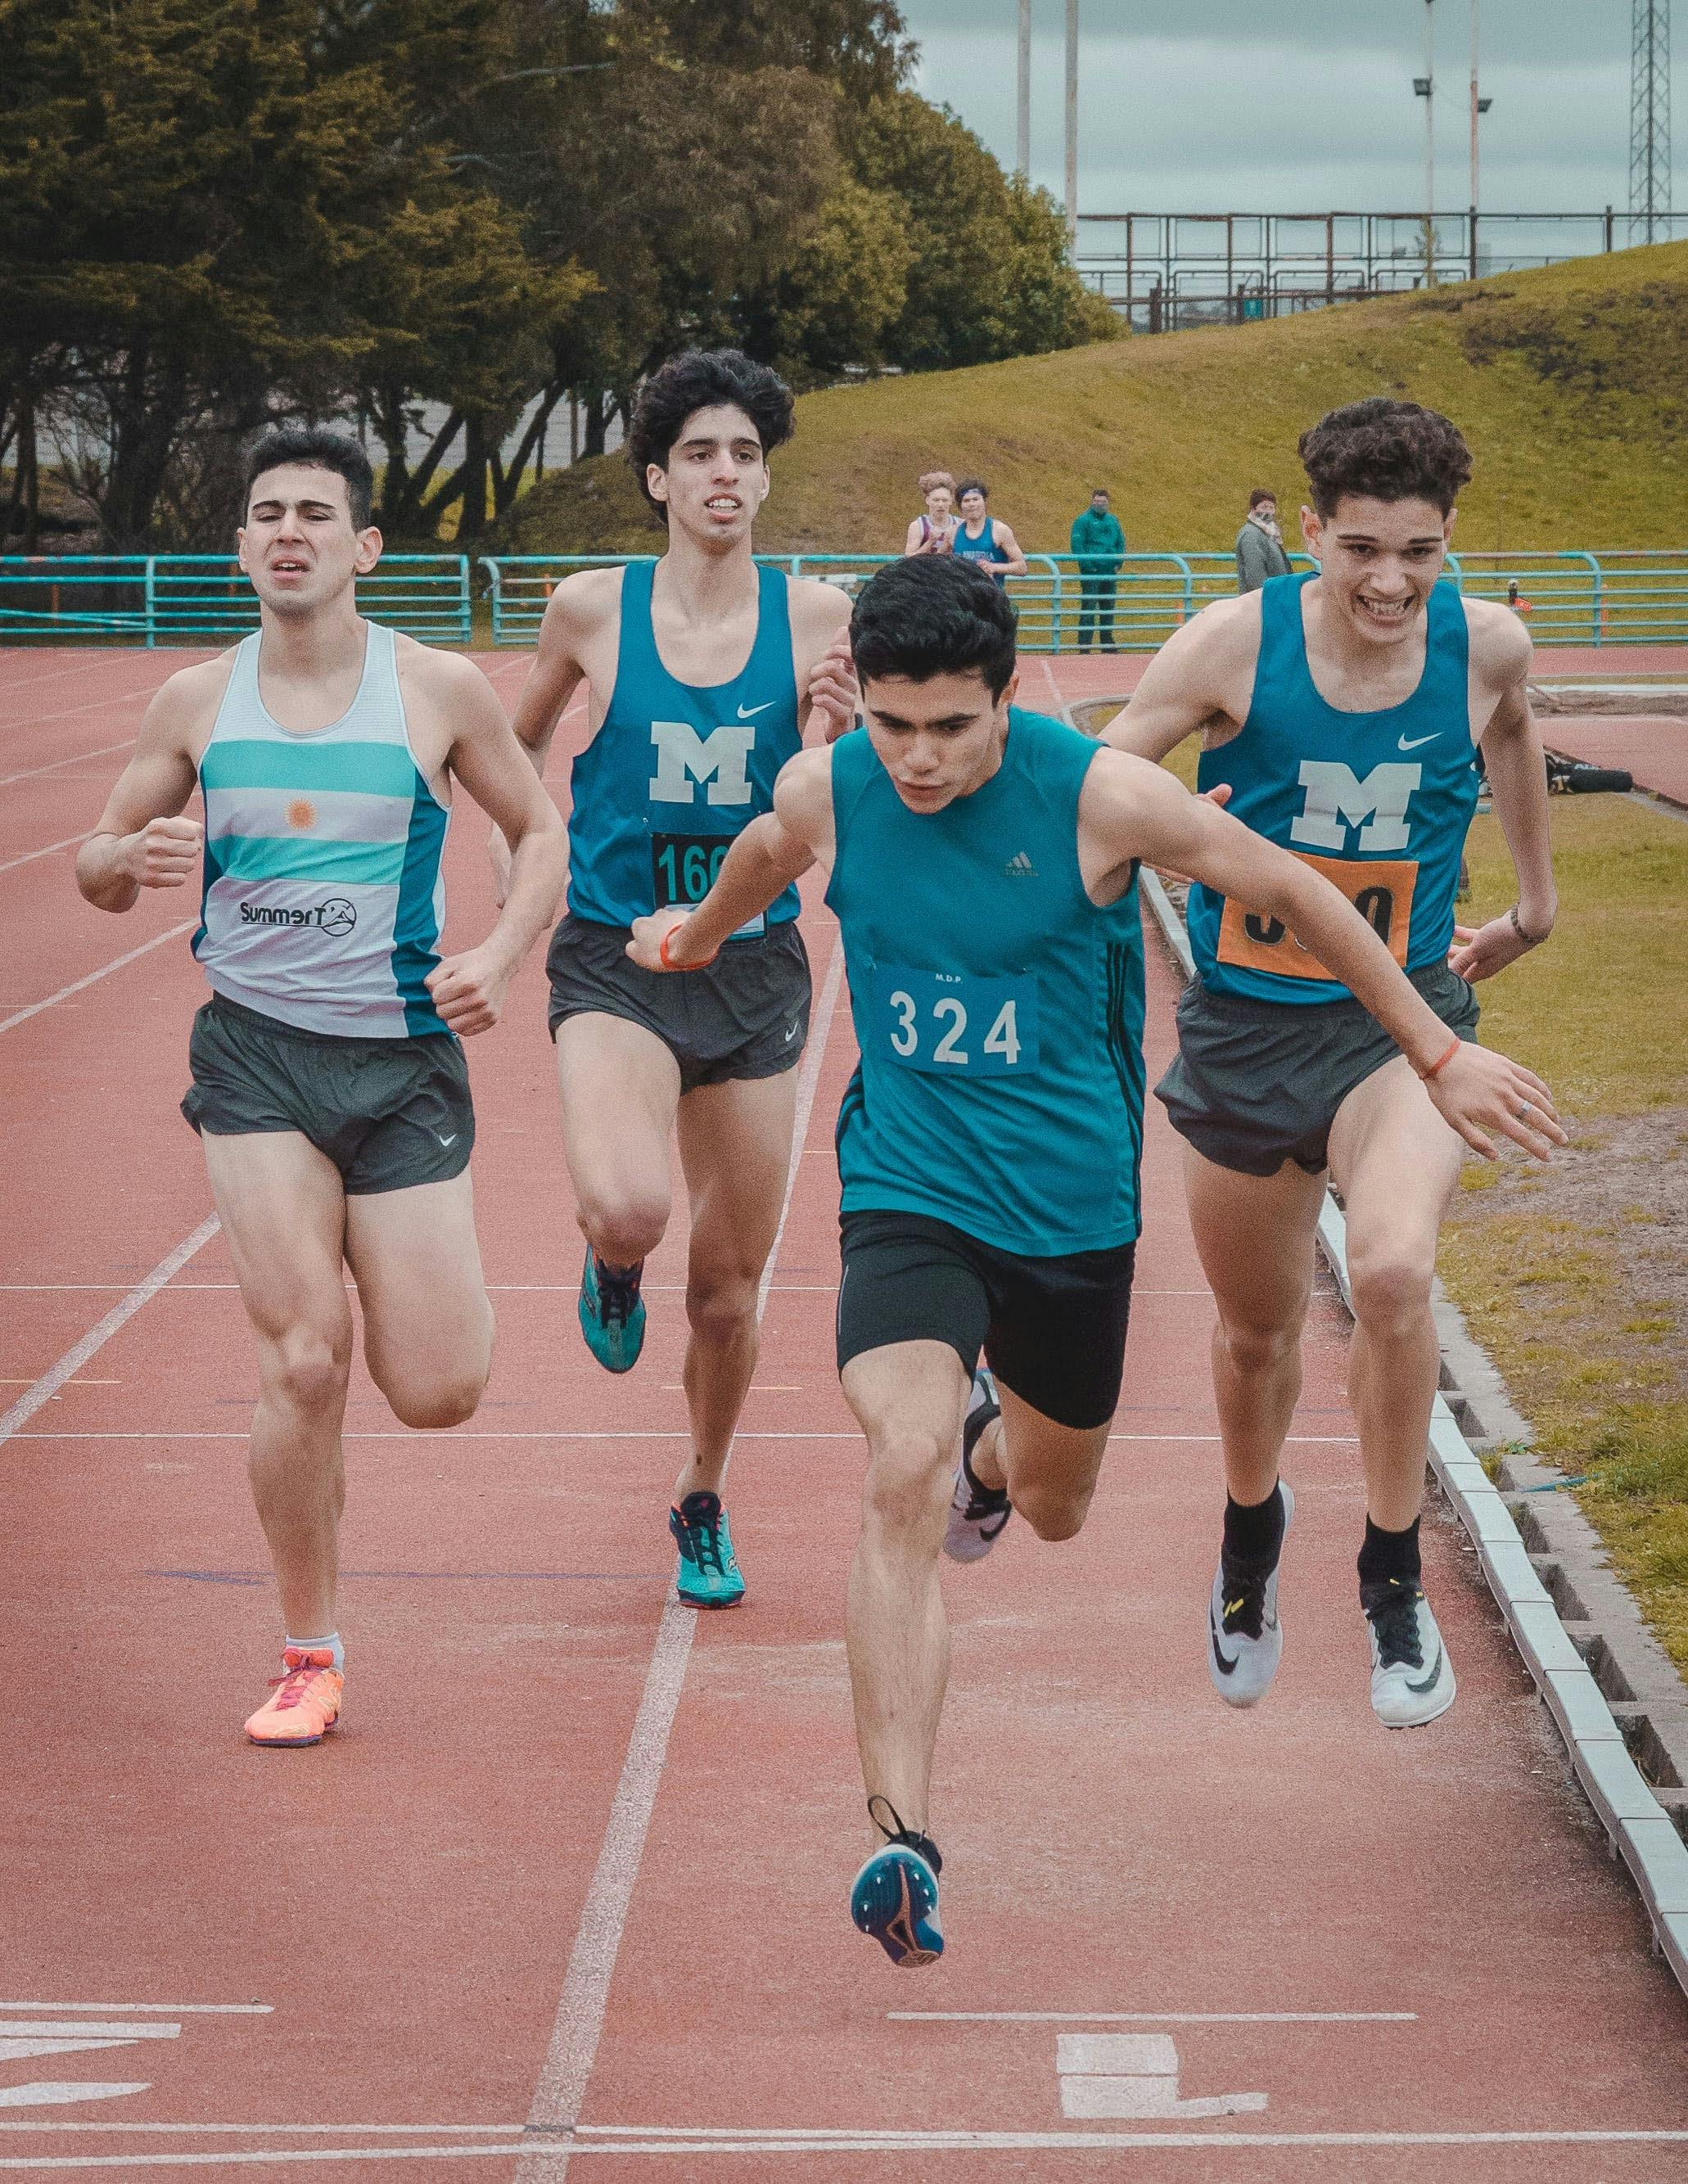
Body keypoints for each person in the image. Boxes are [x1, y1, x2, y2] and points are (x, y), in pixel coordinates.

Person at [625, 554, 1557, 1965]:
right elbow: (764, 850)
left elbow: (1294, 890)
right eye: (893, 724)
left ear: (1005, 696)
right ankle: (902, 1836)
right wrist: (693, 935)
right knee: (897, 1468)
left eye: (953, 724)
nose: (921, 757)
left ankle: (1002, 1459)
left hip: (1067, 1215)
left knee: (1051, 1503)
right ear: (861, 707)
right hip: (907, 1186)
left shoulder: (1101, 797)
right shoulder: (835, 787)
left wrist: (1434, 1047)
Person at [74, 426, 570, 1747]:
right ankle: (309, 1647)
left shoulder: (435, 690)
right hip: (254, 1057)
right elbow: (96, 859)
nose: (287, 530)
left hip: (403, 1066)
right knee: (301, 1360)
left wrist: (506, 951)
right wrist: (134, 853)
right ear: (240, 545)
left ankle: (371, 1396)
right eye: (265, 512)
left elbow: (537, 832)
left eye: (314, 513)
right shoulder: (194, 701)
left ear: (363, 547)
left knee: (440, 1384)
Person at [1109, 396, 1561, 1732]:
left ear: (1448, 539)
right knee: (1254, 1338)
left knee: (1390, 1266)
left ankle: (1389, 1571)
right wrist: (1169, 822)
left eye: (1417, 550)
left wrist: (1531, 904)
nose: (1387, 580)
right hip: (1244, 1030)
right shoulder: (1229, 647)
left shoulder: (1481, 647)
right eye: (1358, 546)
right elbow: (1093, 777)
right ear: (1305, 530)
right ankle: (1250, 1541)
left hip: (1400, 1025)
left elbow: (1516, 731)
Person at [496, 348, 855, 1611]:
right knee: (637, 1208)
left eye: (745, 455)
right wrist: (524, 849)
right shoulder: (591, 607)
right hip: (617, 955)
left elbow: (836, 800)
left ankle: (700, 1490)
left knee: (725, 1290)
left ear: (764, 478)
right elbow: (511, 743)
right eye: (698, 453)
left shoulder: (820, 622)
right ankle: (607, 1257)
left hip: (753, 970)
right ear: (655, 476)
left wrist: (838, 729)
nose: (723, 474)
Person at [1069, 486, 1126, 651]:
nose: (1100, 504)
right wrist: (1089, 566)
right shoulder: (1083, 521)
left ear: (1108, 502)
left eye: (1103, 502)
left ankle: (1107, 644)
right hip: (1091, 573)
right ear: (1092, 501)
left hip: (1109, 572)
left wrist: (1118, 563)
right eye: (1097, 501)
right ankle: (1084, 645)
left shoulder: (1113, 520)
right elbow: (1077, 545)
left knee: (1108, 609)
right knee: (1089, 608)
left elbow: (1120, 542)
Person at [950, 478, 1028, 588]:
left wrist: (994, 567)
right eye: (966, 501)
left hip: (992, 599)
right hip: (962, 600)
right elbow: (939, 564)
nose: (971, 504)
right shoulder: (952, 532)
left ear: (984, 502)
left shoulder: (1000, 530)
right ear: (960, 506)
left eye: (975, 499)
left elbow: (1022, 567)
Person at [1235, 487, 1292, 592]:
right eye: (1264, 507)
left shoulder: (1269, 532)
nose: (1269, 512)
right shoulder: (1251, 535)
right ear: (1253, 508)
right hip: (1261, 600)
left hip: (1274, 595)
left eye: (1272, 507)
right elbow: (1254, 571)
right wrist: (1264, 595)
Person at [903, 471, 957, 557]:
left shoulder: (959, 524)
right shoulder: (917, 526)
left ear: (951, 500)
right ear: (927, 500)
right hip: (923, 570)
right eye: (936, 500)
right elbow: (908, 559)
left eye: (945, 500)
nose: (940, 505)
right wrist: (930, 542)